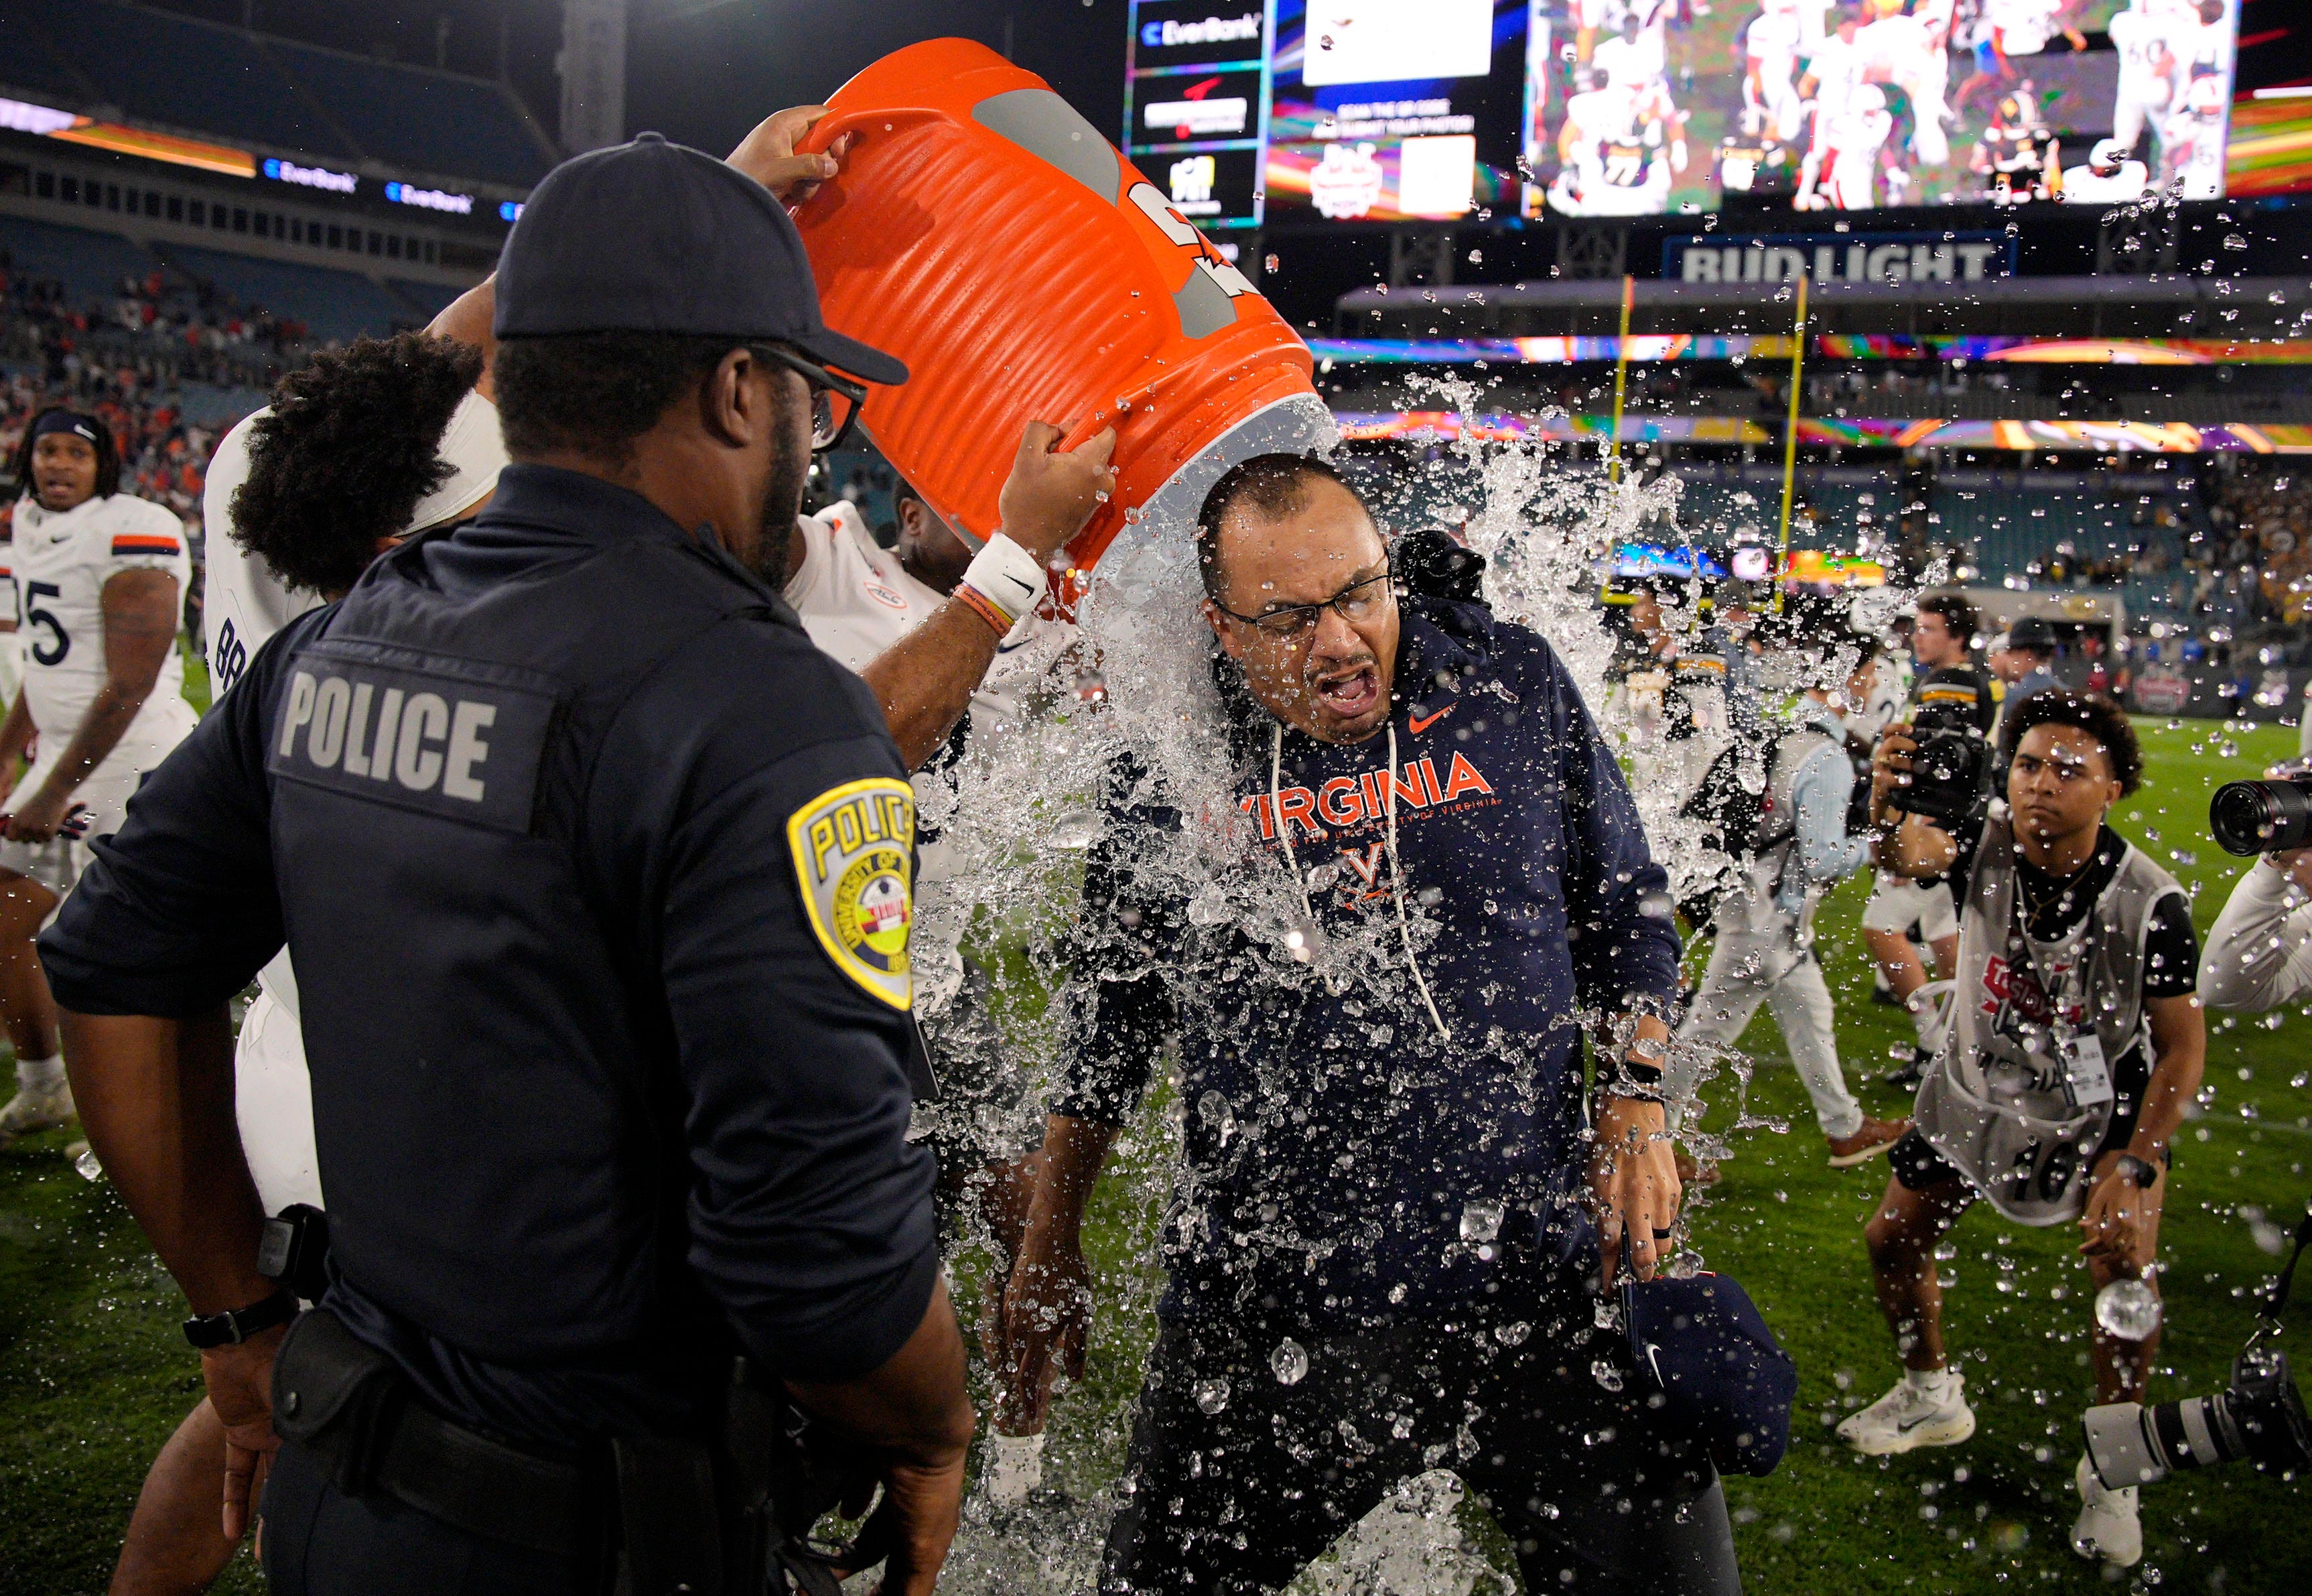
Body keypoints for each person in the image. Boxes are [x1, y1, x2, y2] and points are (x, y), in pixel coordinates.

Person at [37, 132, 1133, 1595]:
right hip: (608, 1524)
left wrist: (236, 1327)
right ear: (742, 389)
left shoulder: (332, 645)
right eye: (807, 390)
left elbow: (110, 968)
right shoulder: (753, 705)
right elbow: (811, 1243)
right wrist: (931, 1430)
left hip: (349, 1493)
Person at [999, 455, 1739, 1595]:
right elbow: (1112, 1006)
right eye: (1288, 617)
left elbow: (1629, 905)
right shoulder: (1178, 745)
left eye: (1360, 592)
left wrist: (1637, 1095)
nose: (1340, 643)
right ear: (1221, 626)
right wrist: (1050, 1240)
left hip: (1540, 1278)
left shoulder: (1505, 680)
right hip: (1275, 1303)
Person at [1844, 692, 2203, 1572]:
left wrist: (2136, 1164)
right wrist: (1883, 803)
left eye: (2066, 770)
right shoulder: (1985, 842)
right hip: (1971, 1088)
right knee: (1890, 1238)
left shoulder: (2147, 900)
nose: (2040, 784)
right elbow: (1905, 853)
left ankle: (2112, 1469)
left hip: (2091, 1115)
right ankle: (1930, 1392)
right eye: (2026, 765)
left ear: (2112, 788)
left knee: (2122, 1274)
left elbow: (2180, 1049)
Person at [0, 407, 194, 1147]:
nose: (58, 465)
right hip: (61, 757)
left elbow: (130, 683)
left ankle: (144, 1117)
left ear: (103, 466)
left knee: (111, 953)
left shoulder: (133, 527)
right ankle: (46, 1089)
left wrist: (52, 790)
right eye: (46, 450)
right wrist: (10, 751)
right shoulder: (28, 521)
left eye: (75, 454)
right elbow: (48, 668)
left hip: (129, 760)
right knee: (8, 919)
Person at [1673, 665, 1911, 1168]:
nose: (1872, 691)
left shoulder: (1781, 734)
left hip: (1753, 909)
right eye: (1866, 679)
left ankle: (1843, 1127)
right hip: (1765, 922)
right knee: (1702, 1037)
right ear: (1846, 683)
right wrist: (1875, 848)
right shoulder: (1827, 757)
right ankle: (1648, 1142)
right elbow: (1822, 859)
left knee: (1810, 1012)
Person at [1864, 591, 1998, 1087]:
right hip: (1967, 830)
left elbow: (1940, 772)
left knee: (1880, 928)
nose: (1917, 636)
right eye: (1916, 627)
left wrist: (1916, 834)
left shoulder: (1948, 682)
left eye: (1929, 628)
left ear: (1957, 636)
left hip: (1940, 833)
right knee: (1949, 938)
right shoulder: (1963, 678)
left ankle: (1932, 1043)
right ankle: (1965, 1046)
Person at [1988, 614, 2062, 713]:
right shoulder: (2066, 694)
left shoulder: (2015, 696)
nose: (2009, 659)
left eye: (2011, 653)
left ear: (2027, 654)